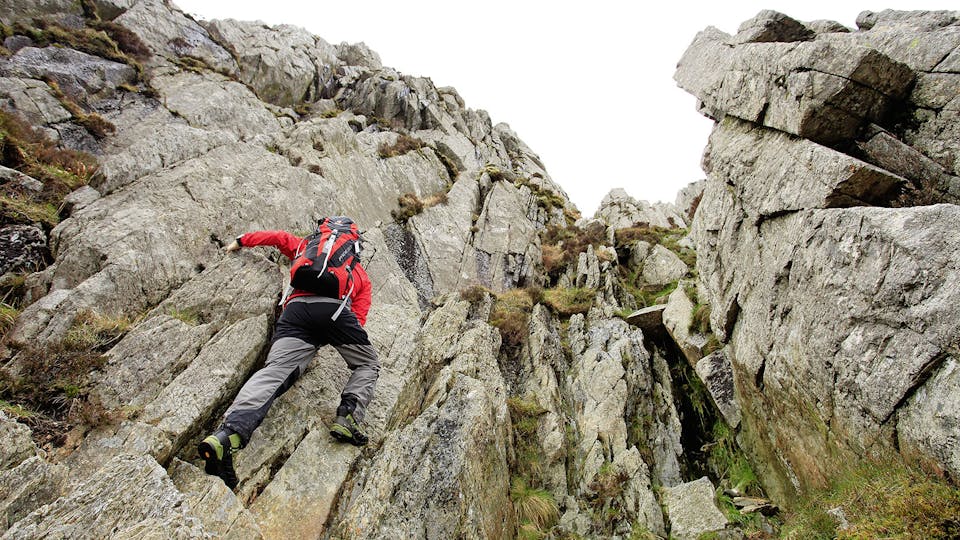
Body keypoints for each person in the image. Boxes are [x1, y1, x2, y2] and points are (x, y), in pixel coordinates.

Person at [198, 217, 379, 489]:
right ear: (354, 244)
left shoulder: (305, 246)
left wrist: (242, 240)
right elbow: (360, 318)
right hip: (334, 313)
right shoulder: (358, 272)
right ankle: (347, 418)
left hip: (295, 313)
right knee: (367, 363)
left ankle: (228, 434)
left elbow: (278, 236)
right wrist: (334, 334)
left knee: (274, 373)